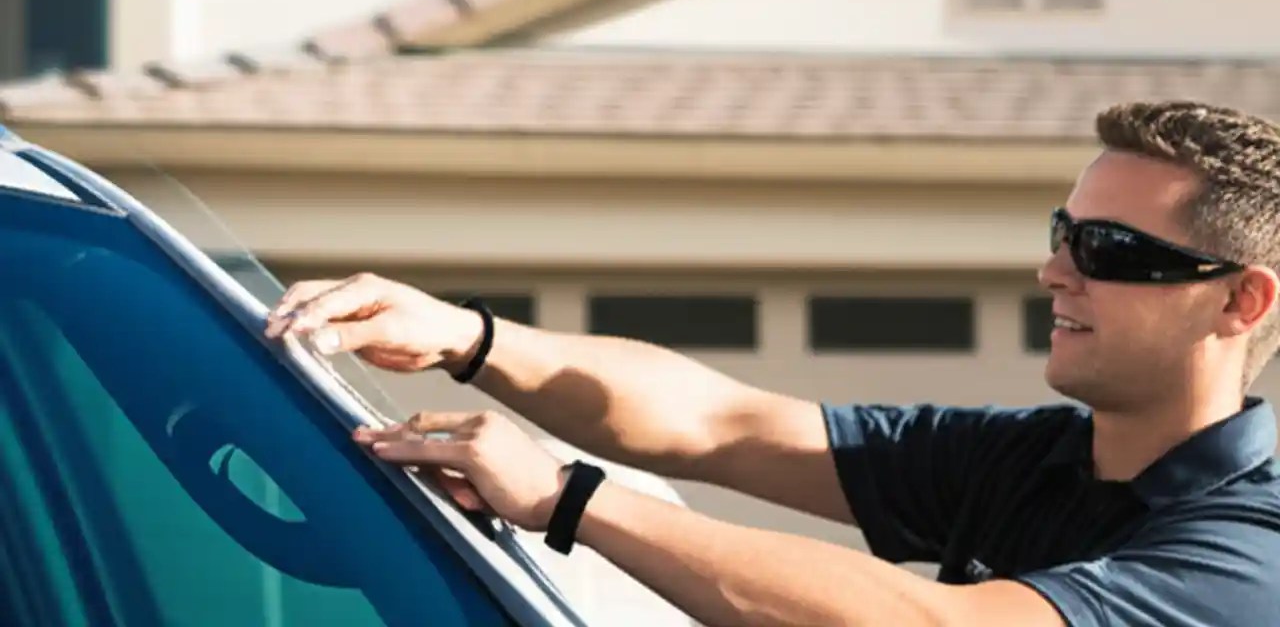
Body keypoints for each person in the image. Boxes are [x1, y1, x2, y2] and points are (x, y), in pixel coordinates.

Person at [264, 100, 1280, 626]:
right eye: (1062, 230)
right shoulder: (1027, 462)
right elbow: (721, 425)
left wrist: (571, 500)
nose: (1052, 269)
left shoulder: (1250, 556)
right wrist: (468, 338)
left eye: (1105, 250)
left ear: (1239, 300)